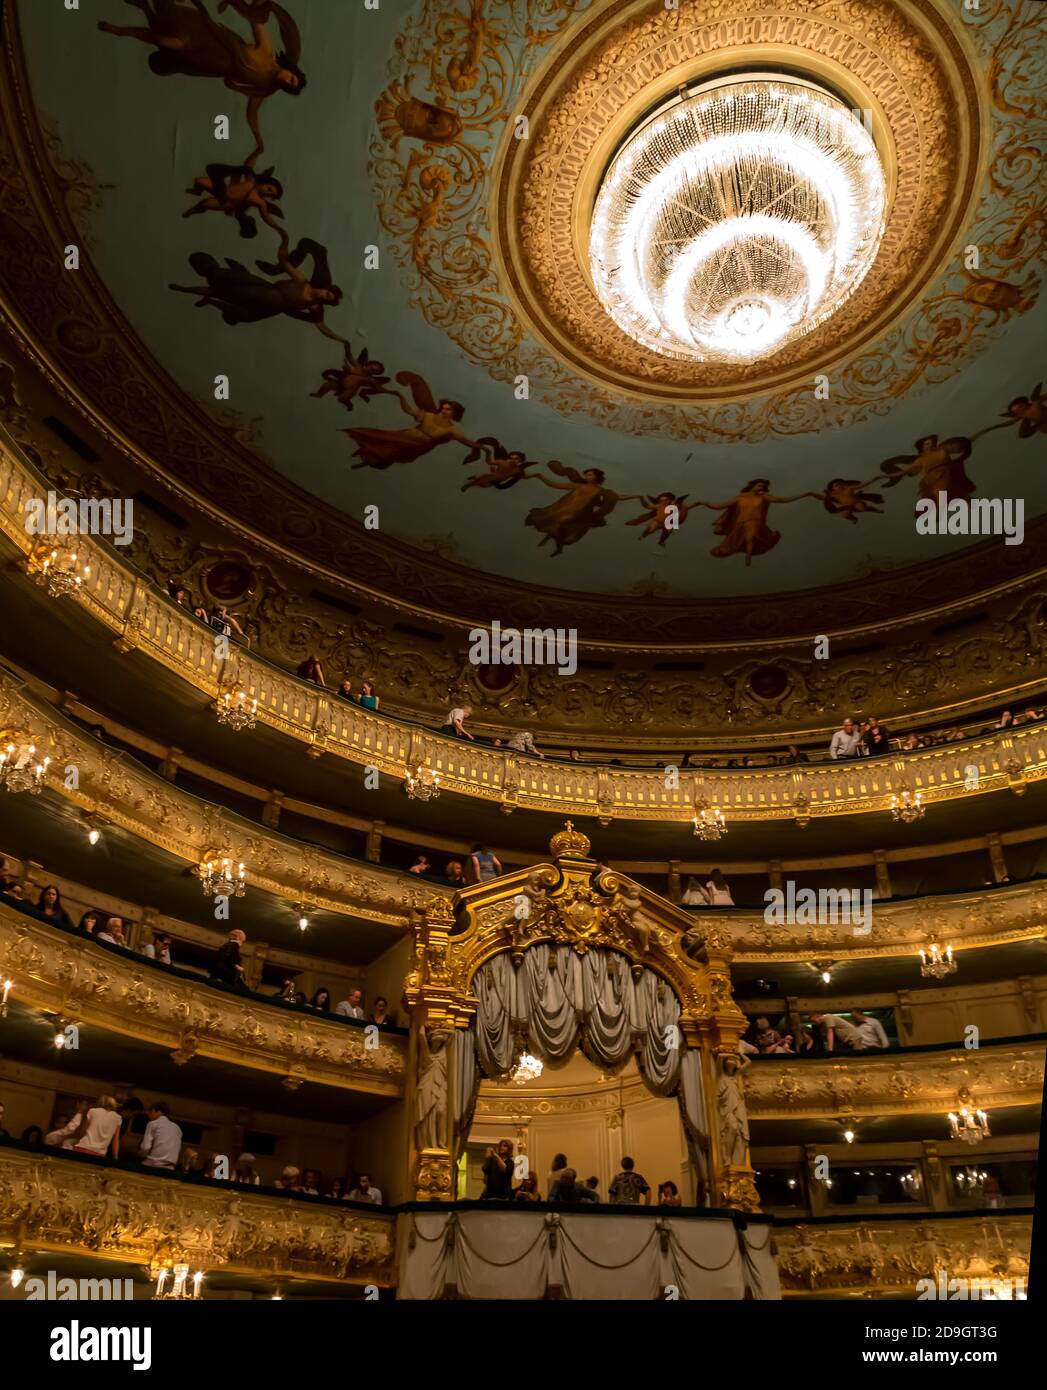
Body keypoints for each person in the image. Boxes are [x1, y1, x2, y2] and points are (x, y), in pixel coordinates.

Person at [139, 1101, 182, 1170]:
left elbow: (145, 1148)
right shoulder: (177, 1128)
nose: (148, 1114)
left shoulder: (153, 1124)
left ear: (159, 1112)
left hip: (153, 1164)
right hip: (170, 1167)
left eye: (151, 1111)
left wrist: (140, 1155)